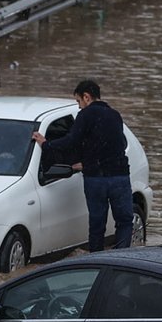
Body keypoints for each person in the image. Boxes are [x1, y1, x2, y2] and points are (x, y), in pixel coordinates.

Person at [32, 79, 135, 251]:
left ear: (87, 97)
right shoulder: (115, 115)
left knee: (97, 224)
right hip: (119, 176)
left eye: (78, 101)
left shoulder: (85, 115)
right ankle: (121, 257)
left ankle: (95, 260)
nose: (79, 106)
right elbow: (111, 144)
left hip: (95, 179)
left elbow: (72, 141)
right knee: (125, 221)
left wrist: (46, 144)